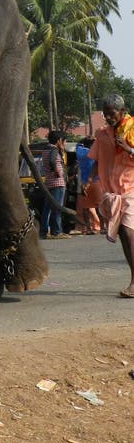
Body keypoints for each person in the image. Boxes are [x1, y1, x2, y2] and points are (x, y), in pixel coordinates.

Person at [86, 93, 134, 298]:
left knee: (127, 230)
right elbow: (97, 160)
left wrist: (129, 149)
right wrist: (88, 180)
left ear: (122, 112)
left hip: (132, 189)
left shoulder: (132, 129)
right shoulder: (103, 134)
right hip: (112, 192)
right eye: (106, 114)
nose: (108, 117)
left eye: (112, 113)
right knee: (123, 235)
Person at [40, 130, 69, 239]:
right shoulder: (54, 150)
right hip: (58, 182)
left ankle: (43, 232)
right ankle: (57, 231)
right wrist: (57, 172)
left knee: (47, 208)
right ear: (59, 140)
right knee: (57, 208)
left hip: (49, 182)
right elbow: (53, 162)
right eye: (64, 141)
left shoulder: (46, 150)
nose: (65, 144)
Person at [74, 137, 99, 234]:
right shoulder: (95, 153)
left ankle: (88, 228)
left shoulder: (80, 153)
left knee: (85, 207)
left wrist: (84, 139)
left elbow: (78, 144)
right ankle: (103, 227)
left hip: (83, 182)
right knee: (100, 205)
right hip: (96, 180)